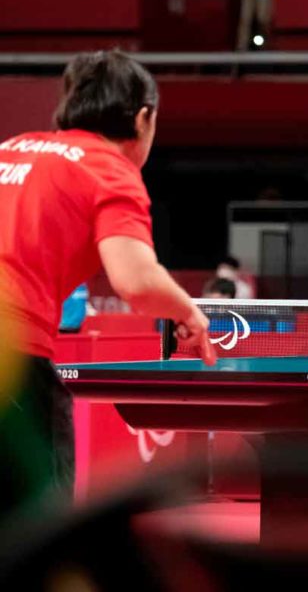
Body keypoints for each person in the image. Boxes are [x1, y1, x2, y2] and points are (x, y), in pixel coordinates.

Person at [0, 50, 215, 522]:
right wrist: (189, 311)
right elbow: (136, 281)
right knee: (41, 526)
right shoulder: (109, 168)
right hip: (10, 360)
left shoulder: (11, 148)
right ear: (143, 118)